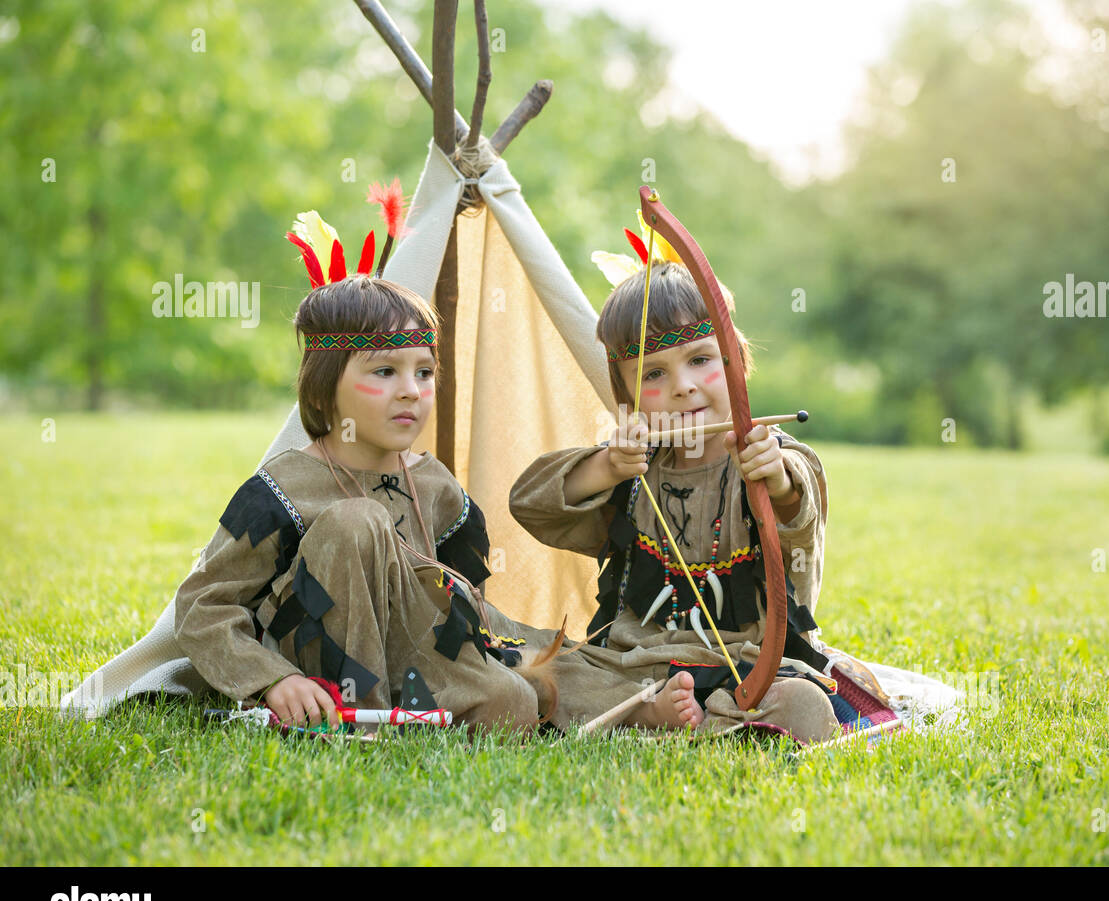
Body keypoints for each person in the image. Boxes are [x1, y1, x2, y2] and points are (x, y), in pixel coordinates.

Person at [174, 273, 700, 734]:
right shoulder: (283, 487)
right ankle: (365, 718)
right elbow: (206, 606)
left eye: (424, 372)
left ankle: (632, 710)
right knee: (357, 523)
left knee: (518, 691)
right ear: (321, 388)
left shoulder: (436, 485)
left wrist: (513, 655)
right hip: (322, 680)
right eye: (384, 372)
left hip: (417, 661)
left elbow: (458, 605)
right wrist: (274, 680)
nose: (411, 391)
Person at [509, 261, 849, 743]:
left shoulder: (775, 456)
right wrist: (606, 466)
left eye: (700, 360)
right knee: (536, 670)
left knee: (804, 702)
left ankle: (684, 718)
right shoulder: (631, 468)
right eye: (653, 373)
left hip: (750, 667)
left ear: (736, 357)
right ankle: (660, 717)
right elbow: (528, 503)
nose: (683, 386)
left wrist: (773, 477)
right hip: (632, 663)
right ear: (625, 393)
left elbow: (798, 510)